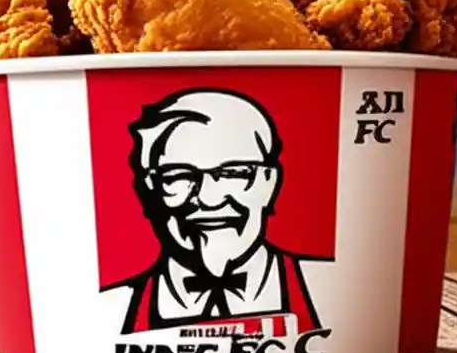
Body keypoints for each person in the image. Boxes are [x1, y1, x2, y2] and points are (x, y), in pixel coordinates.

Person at [108, 88, 322, 334]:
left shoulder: (336, 289)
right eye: (178, 176)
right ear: (149, 190)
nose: (210, 199)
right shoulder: (111, 307)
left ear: (269, 183)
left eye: (235, 173)